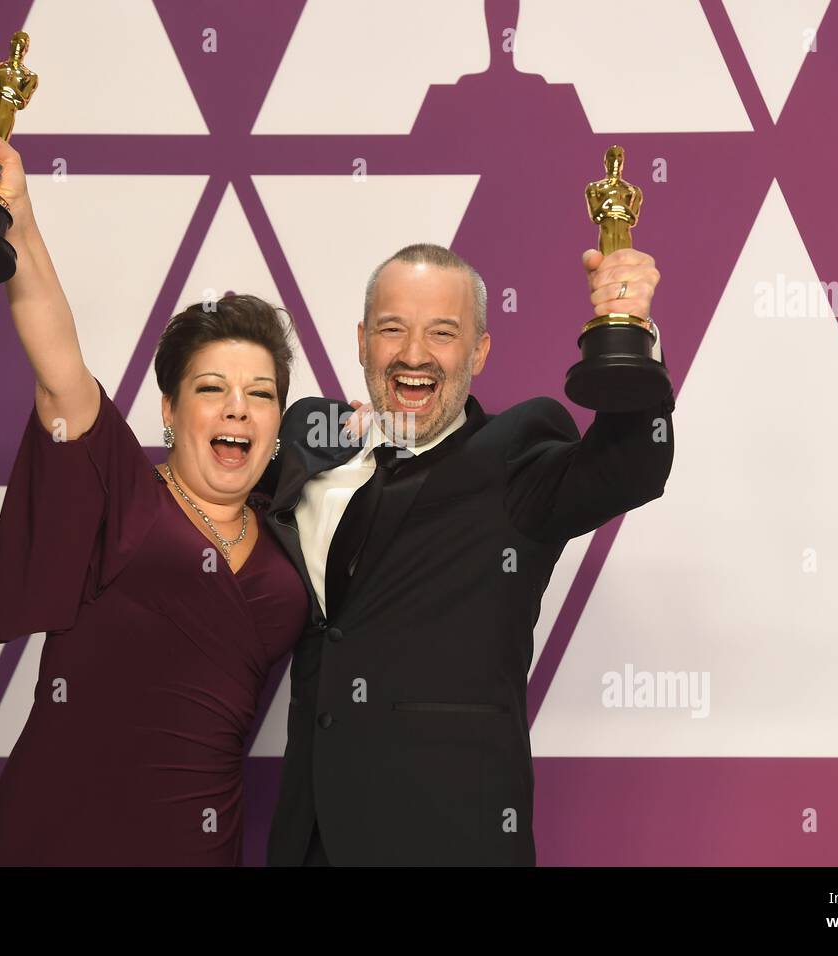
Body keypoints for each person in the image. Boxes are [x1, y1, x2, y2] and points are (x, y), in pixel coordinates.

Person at [259, 242, 675, 866]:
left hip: (452, 842)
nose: (414, 354)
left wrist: (629, 333)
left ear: (479, 351)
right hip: (309, 840)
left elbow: (630, 466)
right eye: (392, 329)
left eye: (443, 332)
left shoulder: (516, 460)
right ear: (363, 341)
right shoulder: (314, 443)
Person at [0, 128, 311, 865]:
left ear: (279, 419)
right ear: (168, 410)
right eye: (211, 390)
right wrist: (19, 218)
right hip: (57, 838)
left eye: (261, 394)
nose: (237, 410)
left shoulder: (295, 529)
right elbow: (60, 371)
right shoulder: (120, 493)